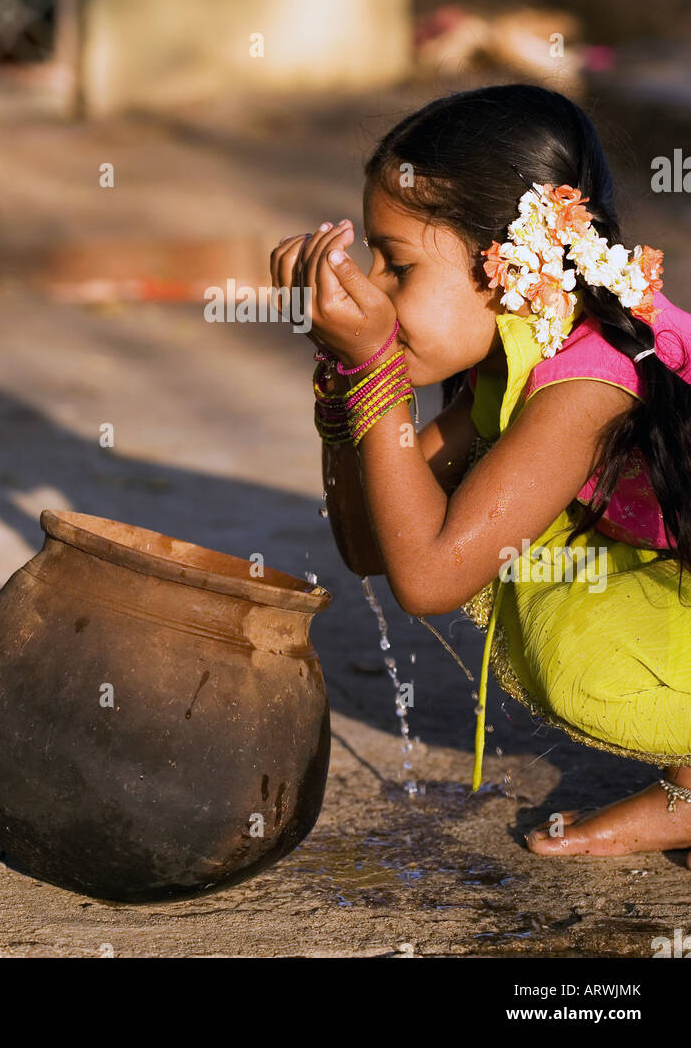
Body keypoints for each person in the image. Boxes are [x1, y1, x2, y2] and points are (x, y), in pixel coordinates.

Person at [270, 83, 691, 861]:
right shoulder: (516, 360)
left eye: (395, 264)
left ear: (504, 262)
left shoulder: (588, 384)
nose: (378, 292)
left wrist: (375, 371)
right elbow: (373, 543)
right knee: (528, 563)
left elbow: (430, 579)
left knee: (581, 646)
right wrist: (347, 379)